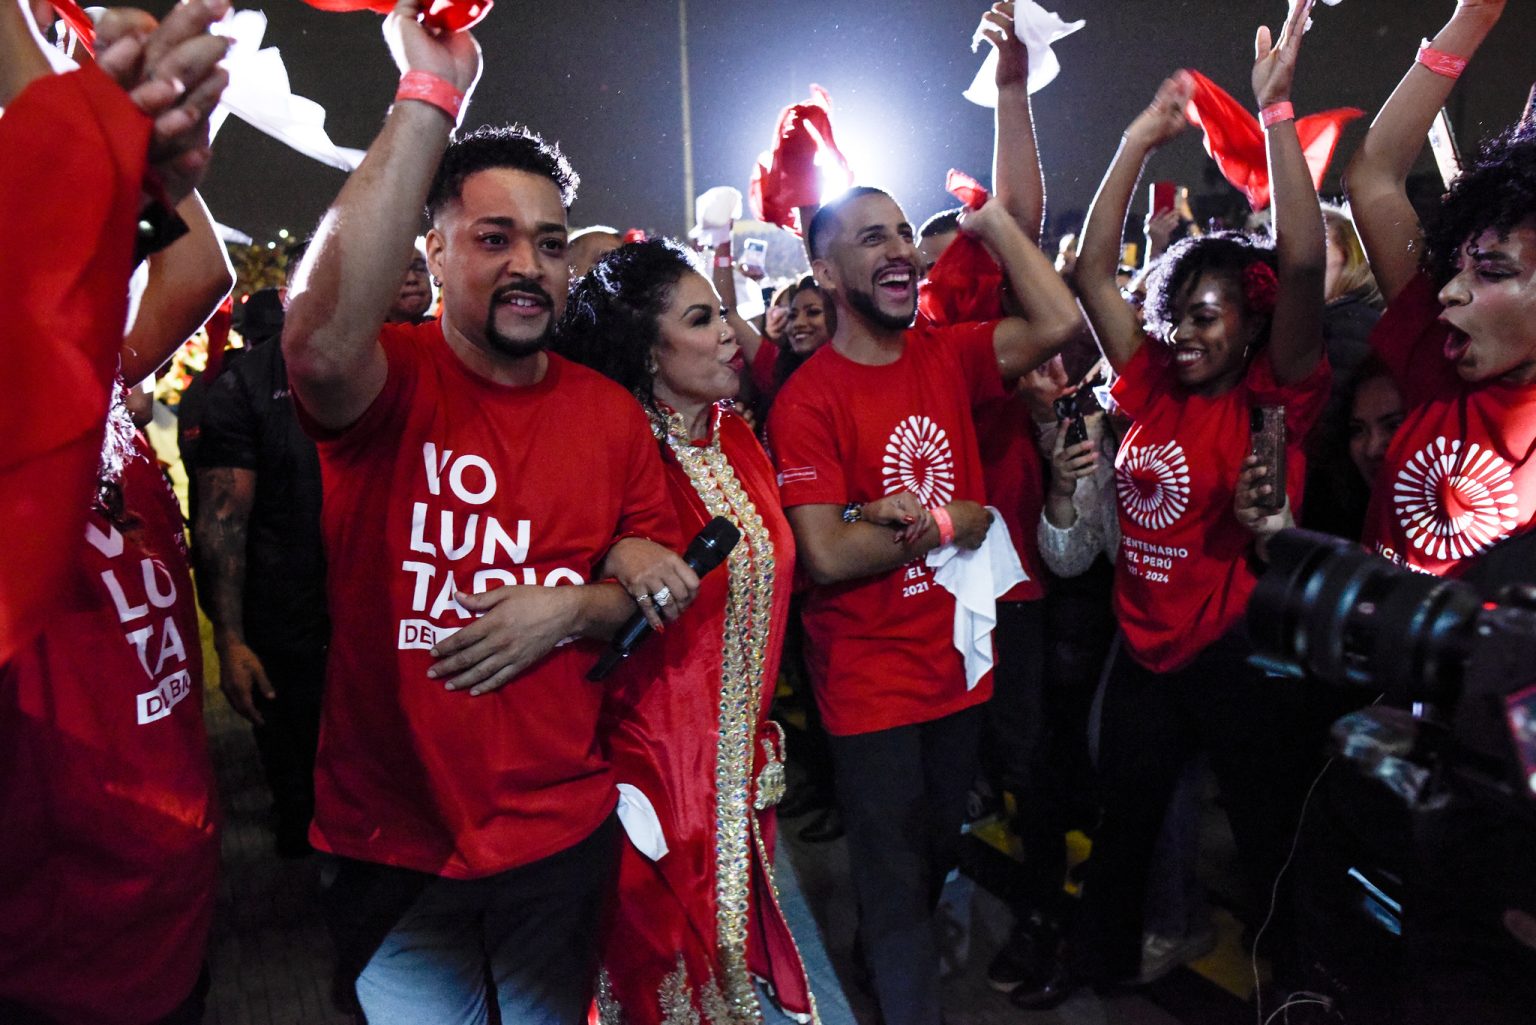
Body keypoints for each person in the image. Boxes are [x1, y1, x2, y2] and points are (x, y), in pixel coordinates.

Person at [280, 5, 690, 1020]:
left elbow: (654, 594)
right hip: (397, 850)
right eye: (494, 238)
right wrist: (428, 95)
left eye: (549, 245)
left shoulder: (607, 416)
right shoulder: (388, 380)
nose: (528, 266)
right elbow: (319, 347)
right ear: (434, 247)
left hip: (559, 838)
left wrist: (569, 606)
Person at [1016, 1, 1333, 1007]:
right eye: (1177, 314)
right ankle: (1101, 955)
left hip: (1236, 647)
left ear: (1252, 328)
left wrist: (1274, 113)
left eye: (1211, 316)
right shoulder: (1149, 381)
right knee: (1127, 811)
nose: (1189, 332)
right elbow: (1094, 264)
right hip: (1145, 646)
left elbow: (1305, 261)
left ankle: (1301, 982)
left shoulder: (1272, 390)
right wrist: (1132, 139)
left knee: (1268, 827)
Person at [765, 137, 1080, 1025]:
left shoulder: (948, 353)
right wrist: (945, 525)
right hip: (868, 682)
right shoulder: (808, 400)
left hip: (958, 663)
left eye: (903, 233)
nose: (900, 249)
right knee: (894, 873)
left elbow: (1057, 322)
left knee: (938, 842)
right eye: (871, 238)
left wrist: (991, 225)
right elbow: (825, 552)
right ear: (825, 272)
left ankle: (885, 942)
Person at [0, 1, 234, 1021]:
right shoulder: (23, 428)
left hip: (171, 903)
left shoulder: (96, 390)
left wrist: (110, 125)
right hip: (56, 958)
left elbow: (197, 270)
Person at [557, 237, 817, 1025]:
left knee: (731, 974)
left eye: (724, 312)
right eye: (701, 319)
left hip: (736, 770)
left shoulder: (735, 433)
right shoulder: (612, 450)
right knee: (658, 979)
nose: (730, 331)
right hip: (651, 773)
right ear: (645, 348)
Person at [1342, 0, 1536, 577]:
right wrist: (1471, 17)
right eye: (1459, 265)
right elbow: (1373, 176)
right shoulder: (1437, 358)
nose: (1450, 291)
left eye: (1492, 271)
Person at [195, 285, 329, 858]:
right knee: (296, 770)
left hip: (386, 614)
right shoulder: (246, 384)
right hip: (288, 617)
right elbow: (221, 523)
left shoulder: (405, 362)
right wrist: (230, 639)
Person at [386, 245, 434, 322]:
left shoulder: (447, 332)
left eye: (419, 268)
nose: (412, 278)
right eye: (398, 271)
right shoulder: (367, 332)